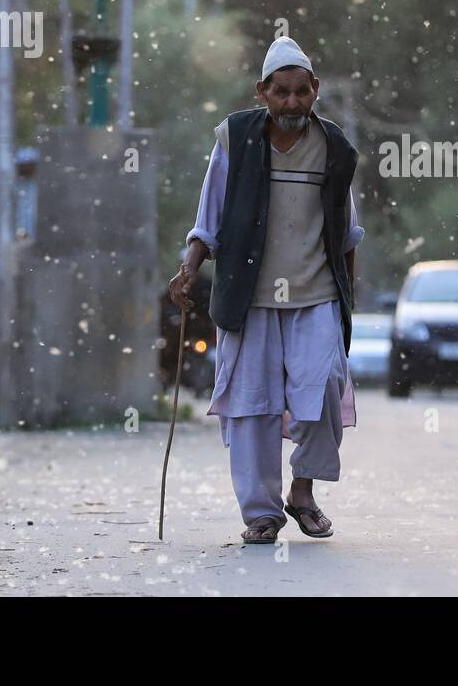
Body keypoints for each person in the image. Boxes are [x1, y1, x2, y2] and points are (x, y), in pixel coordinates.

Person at [169, 36, 364, 543]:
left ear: (316, 90)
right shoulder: (235, 139)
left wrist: (349, 300)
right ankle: (262, 514)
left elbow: (346, 233)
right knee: (252, 405)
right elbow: (208, 215)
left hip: (315, 294)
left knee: (322, 387)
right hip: (249, 296)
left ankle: (302, 491)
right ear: (262, 92)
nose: (292, 103)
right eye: (282, 92)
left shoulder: (335, 148)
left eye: (302, 92)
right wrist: (190, 266)